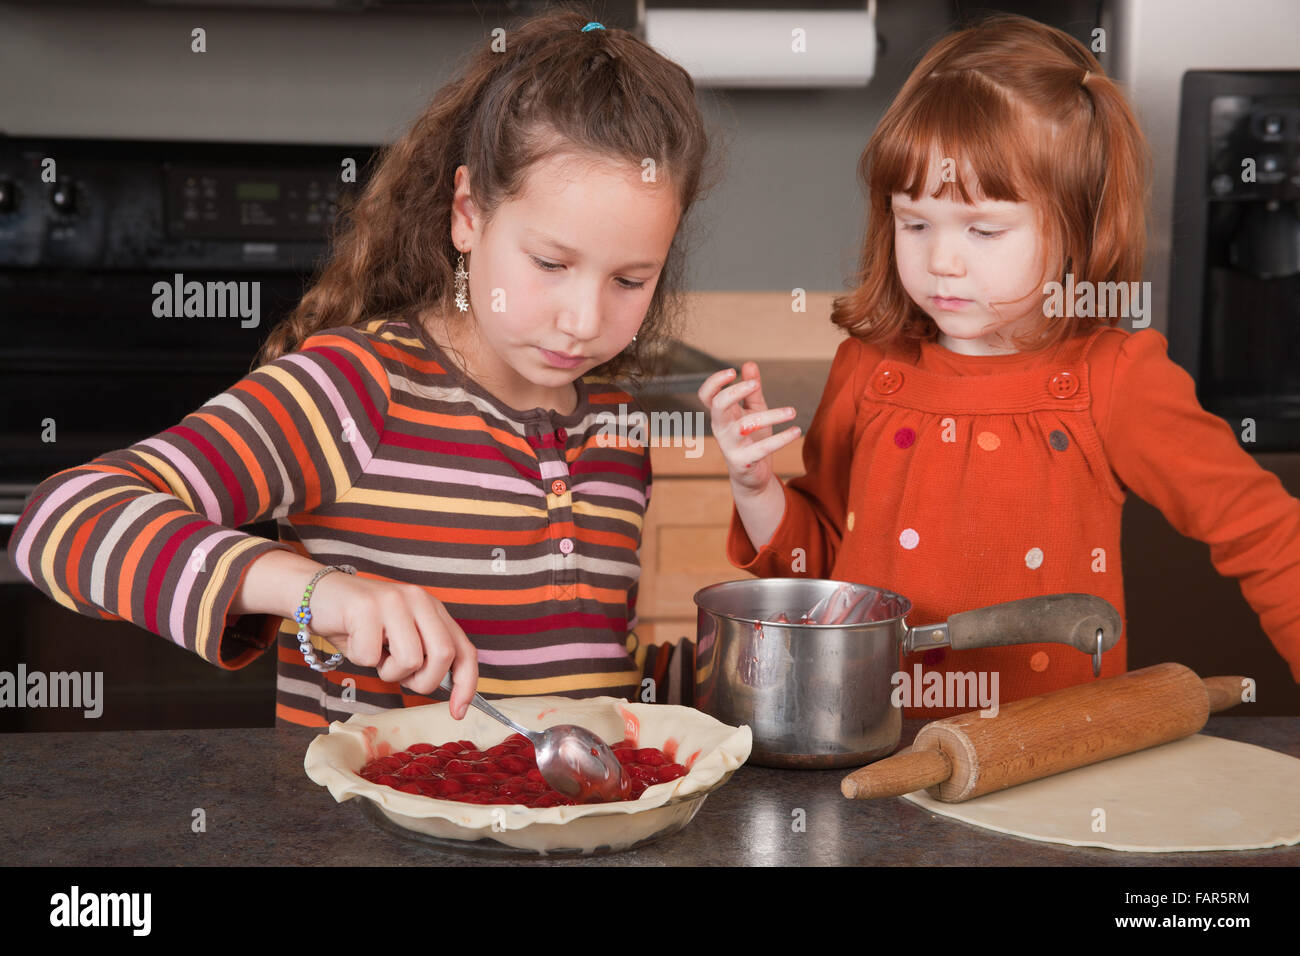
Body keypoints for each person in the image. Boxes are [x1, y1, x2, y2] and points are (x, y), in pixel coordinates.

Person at [7, 7, 717, 727]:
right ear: (468, 213)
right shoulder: (357, 391)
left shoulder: (618, 426)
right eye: (550, 263)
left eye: (630, 280)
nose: (585, 320)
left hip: (581, 838)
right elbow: (61, 522)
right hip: (352, 839)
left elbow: (594, 676)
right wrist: (316, 589)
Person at [701, 14, 1300, 718]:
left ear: (1077, 228)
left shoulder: (1114, 378)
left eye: (984, 230)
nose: (942, 260)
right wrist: (754, 483)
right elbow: (821, 565)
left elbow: (1264, 535)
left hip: (1054, 772)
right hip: (870, 750)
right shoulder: (867, 367)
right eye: (914, 222)